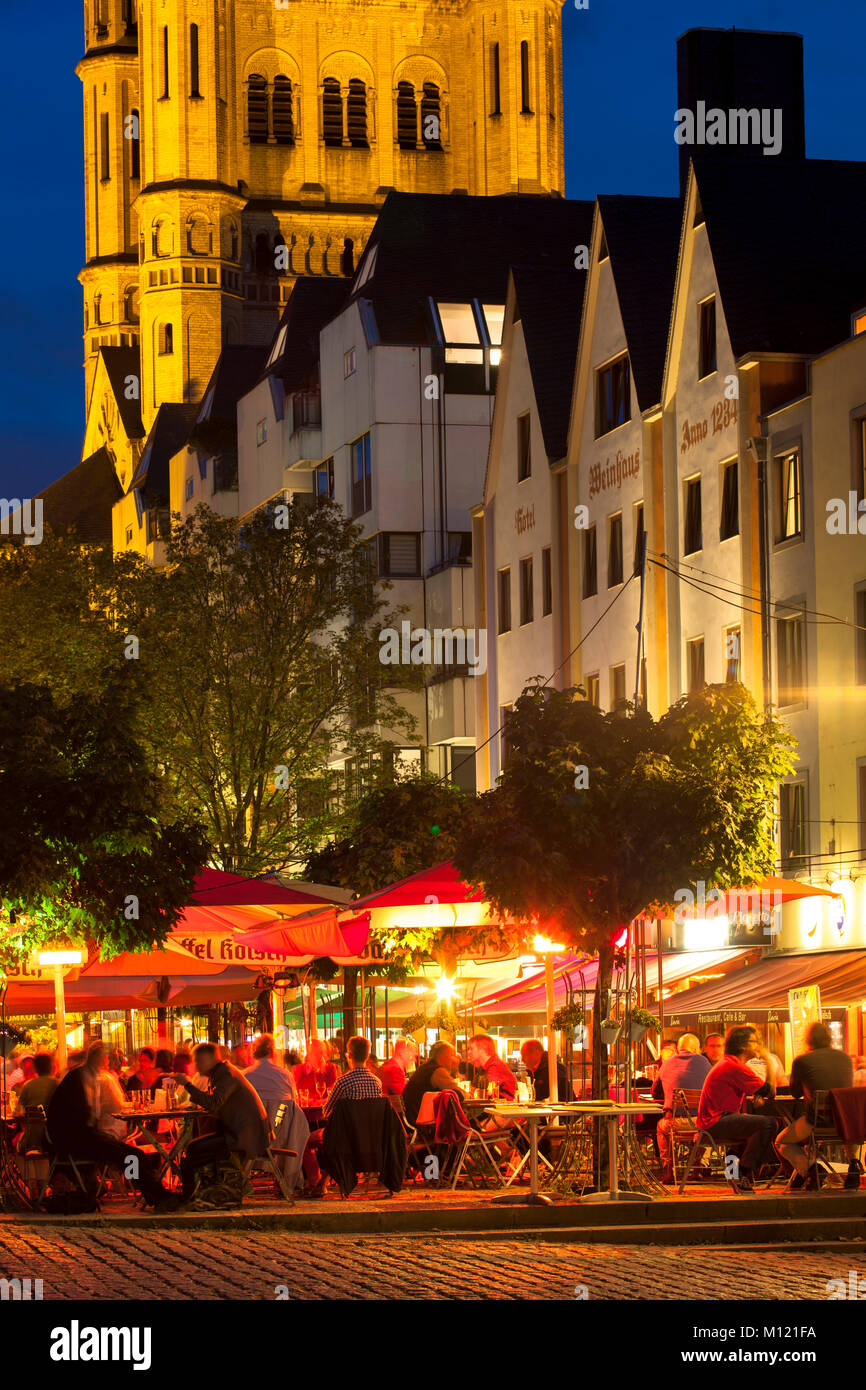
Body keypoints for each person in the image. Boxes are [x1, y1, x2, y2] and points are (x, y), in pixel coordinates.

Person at [46, 1042, 175, 1209]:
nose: (108, 1063)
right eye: (106, 1059)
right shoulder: (85, 1078)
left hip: (76, 1138)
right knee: (132, 1156)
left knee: (132, 1155)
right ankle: (153, 1194)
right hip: (74, 1141)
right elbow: (93, 1113)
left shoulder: (82, 1076)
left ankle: (149, 1192)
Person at [174, 1043, 270, 1203]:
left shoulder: (226, 1074)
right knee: (192, 1147)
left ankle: (191, 1197)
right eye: (195, 1061)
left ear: (212, 1059)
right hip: (241, 1131)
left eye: (200, 1061)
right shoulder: (222, 1072)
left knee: (193, 1149)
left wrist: (188, 1085)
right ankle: (196, 1194)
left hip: (244, 1136)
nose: (196, 1065)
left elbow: (213, 1103)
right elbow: (215, 1101)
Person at [775, 1021, 859, 1191]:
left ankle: (812, 1169)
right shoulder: (845, 1058)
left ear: (807, 1040)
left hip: (819, 1122)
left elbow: (796, 1092)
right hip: (849, 1123)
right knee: (841, 1128)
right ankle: (854, 1164)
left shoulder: (802, 1060)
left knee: (781, 1142)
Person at [696, 1025, 777, 1193]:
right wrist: (768, 1058)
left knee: (759, 1125)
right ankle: (744, 1171)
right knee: (768, 1124)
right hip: (715, 1122)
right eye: (755, 1042)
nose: (759, 1045)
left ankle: (734, 1173)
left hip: (713, 1121)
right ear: (743, 1045)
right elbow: (770, 1091)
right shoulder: (734, 1066)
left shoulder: (729, 1063)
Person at [652, 1034, 712, 1183]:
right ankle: (699, 1168)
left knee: (661, 1127)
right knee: (709, 1125)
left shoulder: (667, 1063)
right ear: (696, 1049)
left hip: (675, 1123)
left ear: (679, 1049)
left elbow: (655, 1091)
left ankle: (668, 1169)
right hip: (699, 1123)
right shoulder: (705, 1062)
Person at [402, 1042, 462, 1127]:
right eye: (451, 1055)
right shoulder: (437, 1071)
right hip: (424, 1124)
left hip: (411, 1118)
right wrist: (469, 1095)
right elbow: (458, 1093)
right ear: (442, 1056)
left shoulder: (425, 1068)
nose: (453, 1059)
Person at [15, 1054, 58, 1153]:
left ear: (35, 1068)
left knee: (15, 1142)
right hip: (54, 1140)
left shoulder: (28, 1086)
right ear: (52, 1067)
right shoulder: (58, 1084)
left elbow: (18, 1112)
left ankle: (24, 1168)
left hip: (31, 1141)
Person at [246, 1035, 297, 1104]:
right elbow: (294, 1104)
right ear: (272, 1052)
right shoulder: (286, 1075)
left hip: (254, 1114)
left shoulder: (244, 1076)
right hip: (281, 1114)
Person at [467, 1035, 517, 1100]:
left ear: (482, 1049)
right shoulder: (484, 1068)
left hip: (503, 1108)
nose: (468, 1052)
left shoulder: (495, 1067)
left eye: (471, 1049)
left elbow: (489, 1093)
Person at [292, 1039, 338, 1107]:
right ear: (308, 1055)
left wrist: (312, 1102)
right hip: (305, 1114)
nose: (320, 1057)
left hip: (325, 1114)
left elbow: (334, 1097)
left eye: (322, 1053)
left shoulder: (330, 1069)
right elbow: (294, 1097)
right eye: (315, 1054)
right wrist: (317, 1102)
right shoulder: (298, 1070)